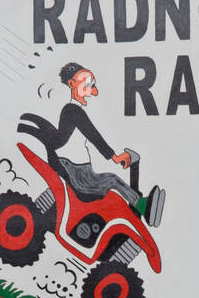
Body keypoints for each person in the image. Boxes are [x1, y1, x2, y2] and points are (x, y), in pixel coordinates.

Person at [52, 63, 165, 227]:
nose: (92, 88)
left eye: (92, 84)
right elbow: (93, 135)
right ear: (72, 84)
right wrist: (116, 157)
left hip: (81, 171)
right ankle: (143, 206)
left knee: (111, 183)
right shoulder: (72, 110)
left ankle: (141, 206)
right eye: (87, 83)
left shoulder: (74, 110)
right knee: (112, 180)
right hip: (77, 174)